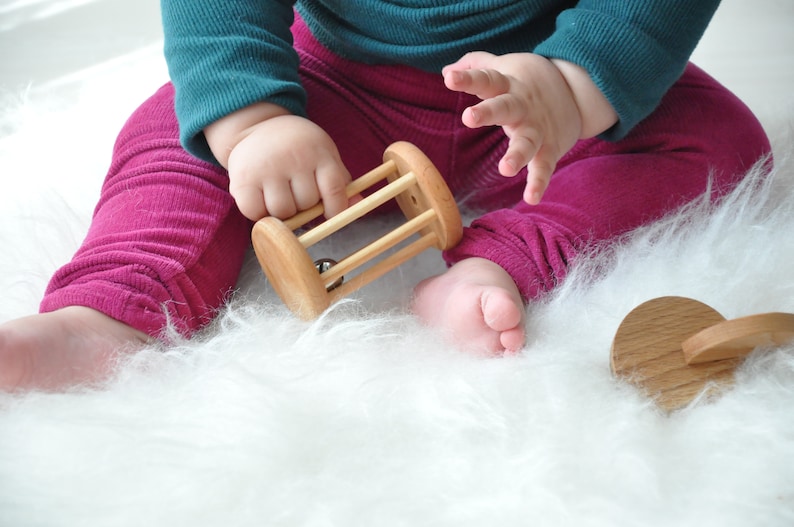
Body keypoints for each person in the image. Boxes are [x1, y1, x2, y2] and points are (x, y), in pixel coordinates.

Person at [0, 1, 771, 391]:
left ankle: (497, 259)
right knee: (178, 126)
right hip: (329, 86)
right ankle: (104, 310)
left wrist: (572, 86)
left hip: (529, 94)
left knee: (714, 138)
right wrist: (253, 117)